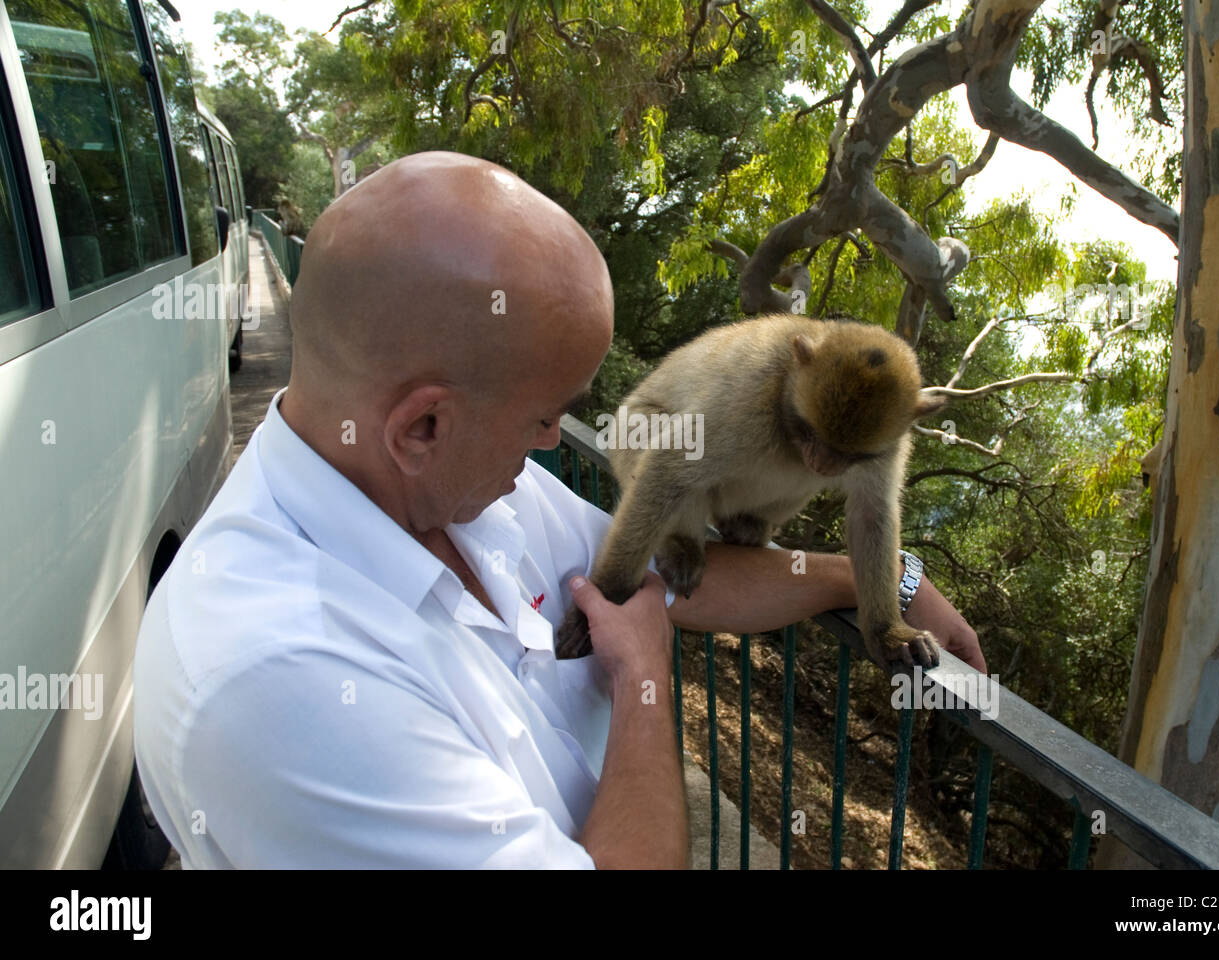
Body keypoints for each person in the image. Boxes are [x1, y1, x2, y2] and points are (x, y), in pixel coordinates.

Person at [133, 151, 985, 869]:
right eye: (546, 418)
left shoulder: (456, 486)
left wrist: (879, 586)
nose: (556, 445)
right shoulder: (283, 684)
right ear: (423, 425)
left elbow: (670, 581)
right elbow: (645, 608)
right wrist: (646, 680)